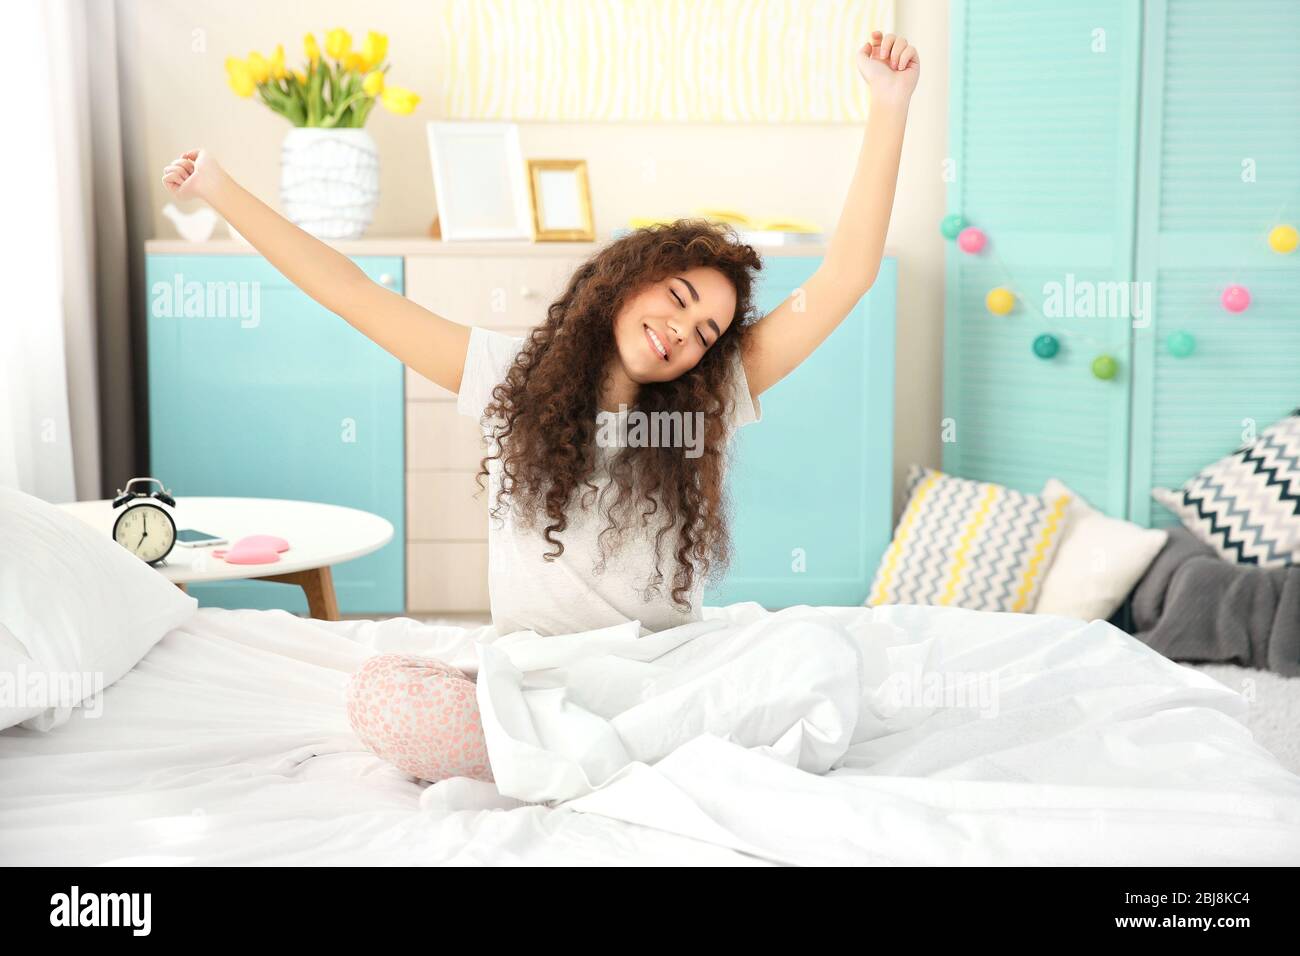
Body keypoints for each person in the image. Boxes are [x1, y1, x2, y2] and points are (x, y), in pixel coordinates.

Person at [162, 32, 919, 784]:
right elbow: (351, 292)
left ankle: (567, 753)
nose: (681, 333)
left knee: (821, 658)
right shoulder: (505, 376)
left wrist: (889, 105)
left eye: (705, 333)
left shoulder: (712, 395)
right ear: (629, 282)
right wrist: (221, 190)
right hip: (544, 677)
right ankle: (573, 744)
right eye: (677, 300)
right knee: (381, 696)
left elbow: (848, 275)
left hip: (664, 670)